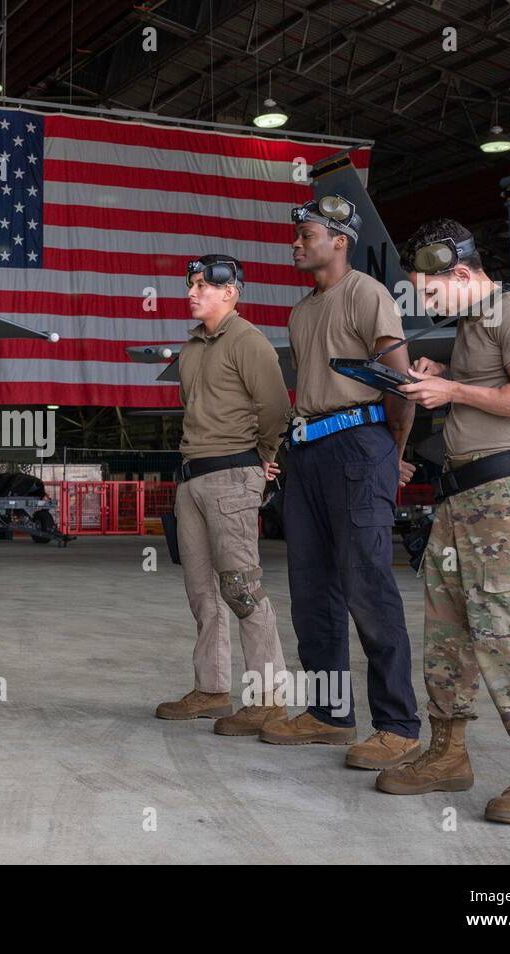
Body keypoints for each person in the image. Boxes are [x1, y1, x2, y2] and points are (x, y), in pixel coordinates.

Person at [377, 218, 510, 825]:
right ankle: (447, 753)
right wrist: (440, 377)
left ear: (462, 274)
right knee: (448, 634)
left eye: (430, 291)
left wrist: (453, 389)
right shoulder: (468, 325)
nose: (424, 302)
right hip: (460, 501)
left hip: (505, 498)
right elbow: (482, 385)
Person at [259, 196, 422, 770]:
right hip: (309, 452)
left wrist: (390, 456)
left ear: (339, 241)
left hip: (359, 445)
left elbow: (399, 384)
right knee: (312, 591)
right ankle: (329, 716)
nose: (296, 244)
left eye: (306, 235)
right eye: (296, 235)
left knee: (367, 585)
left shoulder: (367, 294)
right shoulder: (301, 313)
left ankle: (398, 725)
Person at [155, 255, 291, 736]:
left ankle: (268, 699)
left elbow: (275, 408)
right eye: (190, 285)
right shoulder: (191, 349)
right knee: (202, 592)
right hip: (192, 476)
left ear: (231, 292)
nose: (192, 293)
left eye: (202, 287)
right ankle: (212, 690)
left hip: (233, 475)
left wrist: (264, 456)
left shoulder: (249, 341)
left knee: (242, 589)